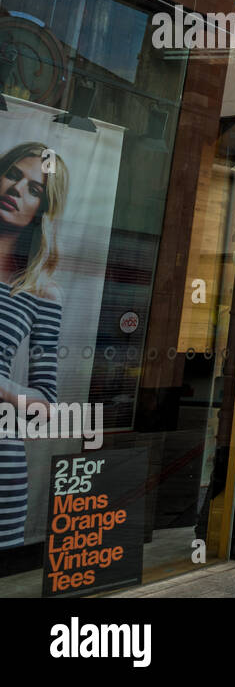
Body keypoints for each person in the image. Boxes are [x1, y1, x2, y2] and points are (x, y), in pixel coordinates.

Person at [0, 142, 68, 549]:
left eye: (34, 189)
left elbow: (45, 406)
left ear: (41, 211)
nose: (17, 189)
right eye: (13, 174)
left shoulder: (40, 294)